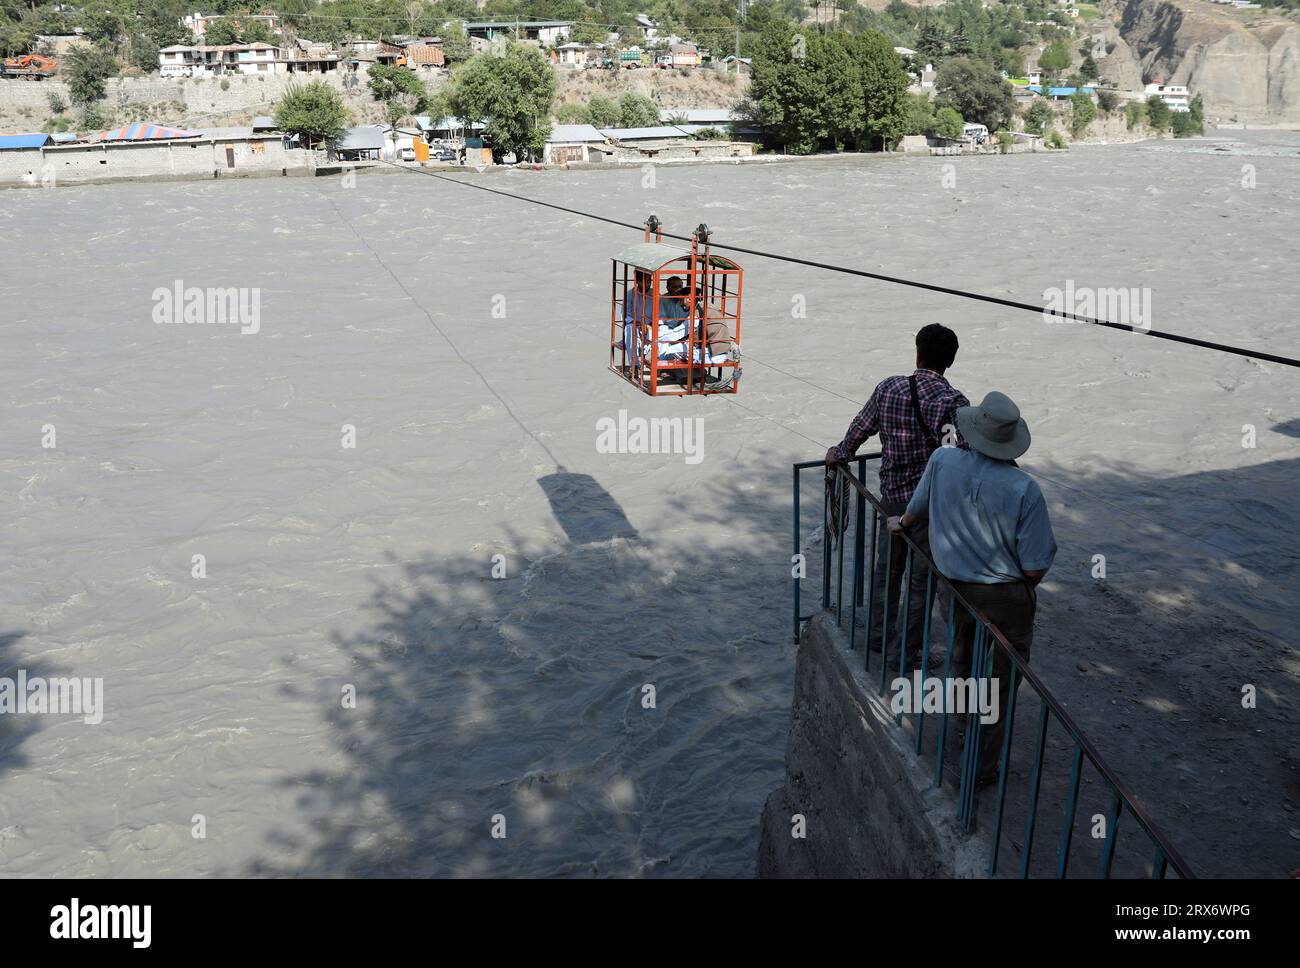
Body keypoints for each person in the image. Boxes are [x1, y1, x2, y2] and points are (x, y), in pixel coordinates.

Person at [890, 390, 1057, 784]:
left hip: (953, 588)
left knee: (962, 657)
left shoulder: (943, 460)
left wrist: (902, 524)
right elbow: (1035, 567)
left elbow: (916, 509)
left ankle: (964, 723)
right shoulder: (1024, 489)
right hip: (1004, 597)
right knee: (997, 683)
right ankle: (978, 771)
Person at [825, 324, 967, 668]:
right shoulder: (952, 402)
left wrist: (841, 452)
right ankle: (906, 653)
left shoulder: (889, 387)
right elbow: (956, 456)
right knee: (922, 581)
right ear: (950, 361)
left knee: (886, 571)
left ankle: (877, 637)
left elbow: (860, 428)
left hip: (890, 499)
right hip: (929, 508)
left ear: (917, 352)